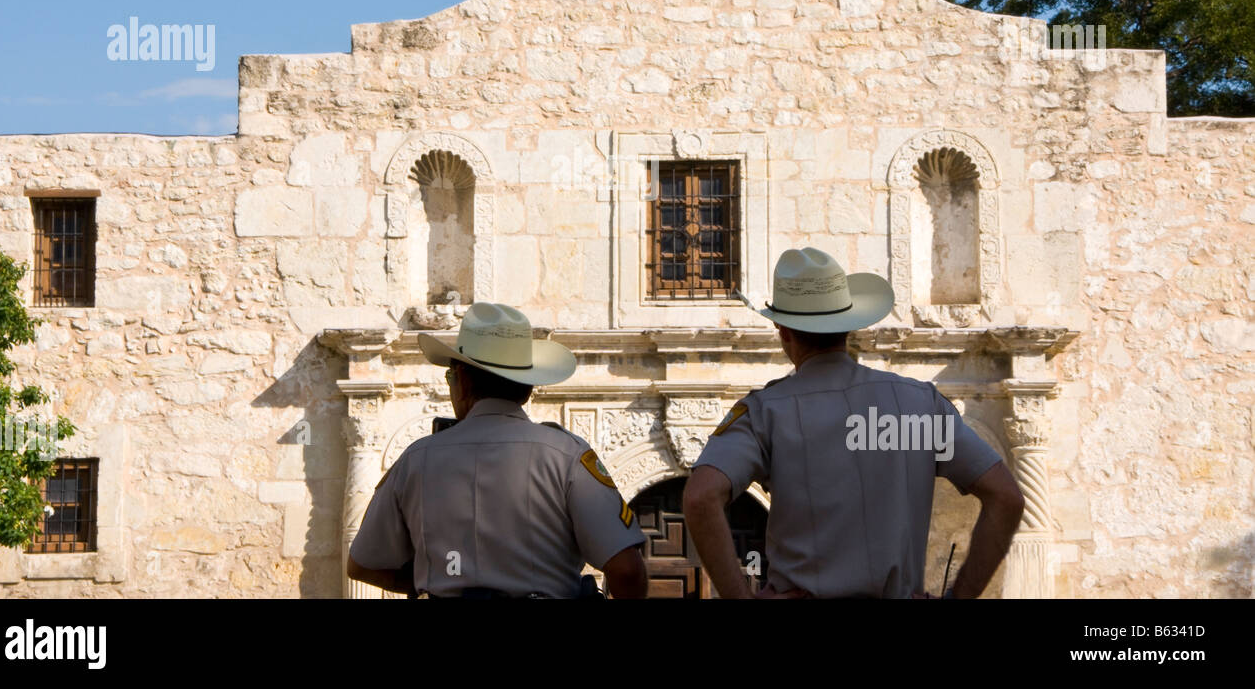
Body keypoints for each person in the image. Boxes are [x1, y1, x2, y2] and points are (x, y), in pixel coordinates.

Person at [684, 248, 1024, 599]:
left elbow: (700, 498)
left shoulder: (764, 413)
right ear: (848, 324)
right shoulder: (921, 405)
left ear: (782, 330)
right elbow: (1006, 497)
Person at [347, 302, 649, 598]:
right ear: (528, 387)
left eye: (450, 377)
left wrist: (429, 581)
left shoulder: (416, 459)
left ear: (462, 381)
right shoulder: (566, 455)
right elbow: (626, 571)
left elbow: (362, 565)